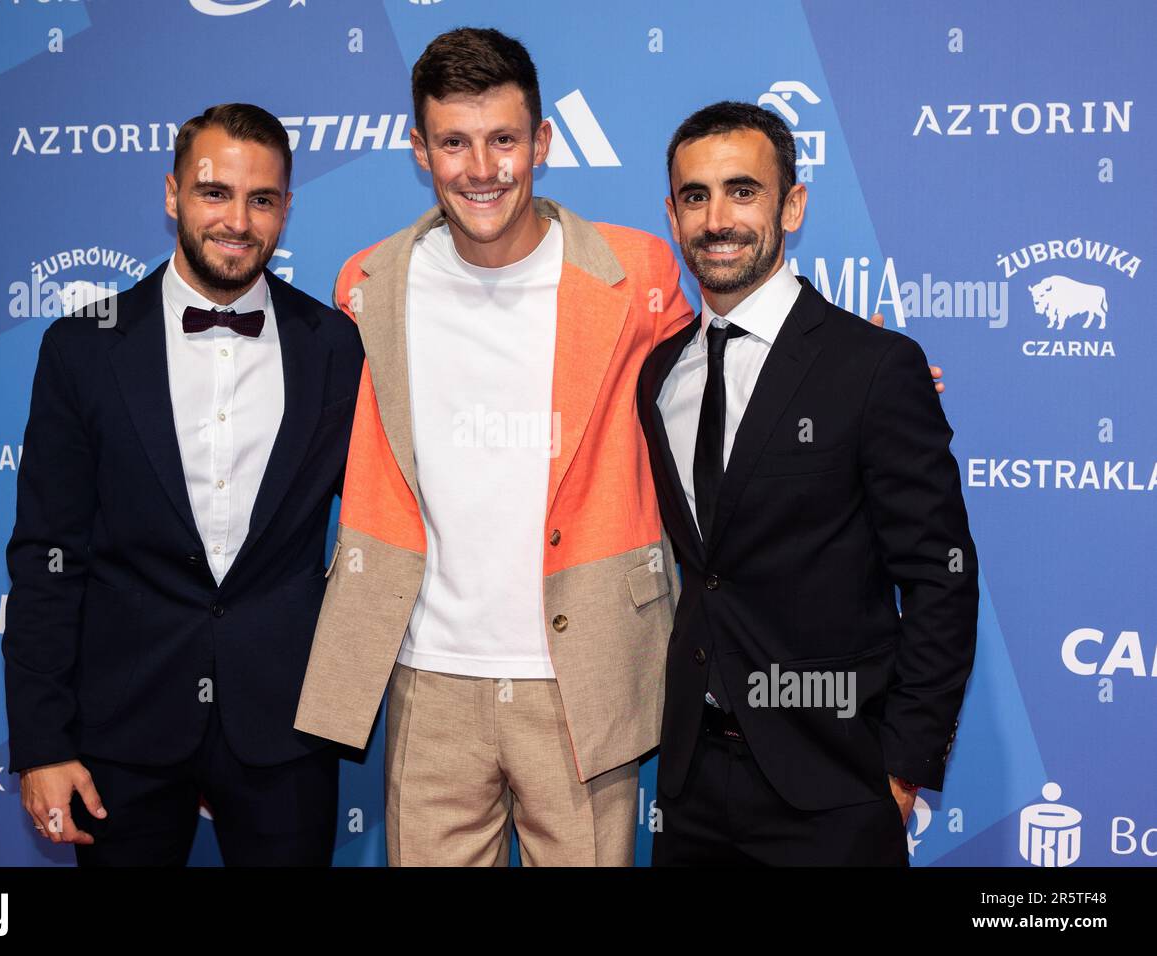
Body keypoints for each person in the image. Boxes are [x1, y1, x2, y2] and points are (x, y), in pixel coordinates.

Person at [293, 27, 692, 866]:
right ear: (419, 149)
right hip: (425, 672)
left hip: (585, 671)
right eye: (454, 142)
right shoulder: (369, 284)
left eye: (504, 140)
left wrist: (828, 372)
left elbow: (703, 401)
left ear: (541, 143)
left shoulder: (635, 272)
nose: (482, 169)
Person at [3, 103, 362, 865]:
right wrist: (41, 744)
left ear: (286, 210)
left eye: (261, 199)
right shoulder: (82, 347)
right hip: (122, 730)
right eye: (213, 193)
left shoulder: (335, 346)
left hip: (287, 728)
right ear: (172, 195)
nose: (237, 220)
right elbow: (45, 557)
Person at [639, 101, 978, 866]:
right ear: (671, 214)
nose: (717, 218)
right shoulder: (661, 376)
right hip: (691, 785)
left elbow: (941, 578)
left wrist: (901, 768)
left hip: (834, 783)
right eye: (695, 196)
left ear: (791, 205)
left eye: (742, 190)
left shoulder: (873, 367)